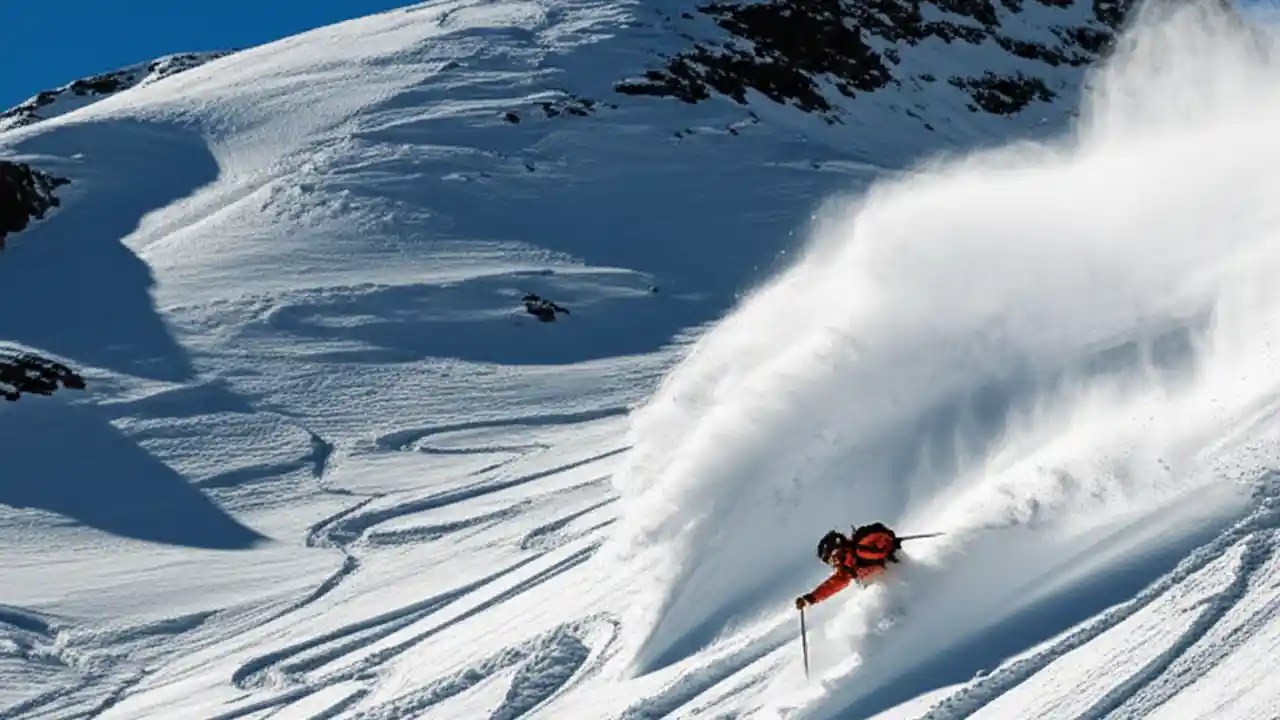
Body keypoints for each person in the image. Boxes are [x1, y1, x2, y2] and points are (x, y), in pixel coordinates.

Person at [794, 522, 900, 609]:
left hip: (897, 568)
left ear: (840, 547)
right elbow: (832, 584)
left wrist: (889, 541)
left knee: (861, 553)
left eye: (834, 557)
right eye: (830, 561)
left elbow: (878, 533)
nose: (835, 562)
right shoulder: (847, 569)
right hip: (887, 590)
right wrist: (810, 598)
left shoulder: (860, 544)